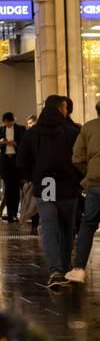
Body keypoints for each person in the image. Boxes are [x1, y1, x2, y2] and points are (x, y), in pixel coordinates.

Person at [19, 95, 83, 289]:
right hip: (68, 185)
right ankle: (64, 268)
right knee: (66, 228)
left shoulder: (33, 132)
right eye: (65, 108)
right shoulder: (72, 131)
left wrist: (34, 177)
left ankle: (54, 270)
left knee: (49, 227)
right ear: (60, 108)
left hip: (46, 184)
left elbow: (22, 160)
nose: (67, 112)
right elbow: (80, 158)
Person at [68, 102, 100, 282]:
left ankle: (79, 269)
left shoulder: (88, 128)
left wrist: (90, 173)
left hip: (95, 184)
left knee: (88, 225)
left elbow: (77, 157)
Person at [0, 112, 21, 220]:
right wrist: (1, 142)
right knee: (8, 188)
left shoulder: (20, 129)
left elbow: (23, 143)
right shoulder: (0, 130)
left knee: (16, 188)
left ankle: (15, 212)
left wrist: (15, 143)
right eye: (6, 122)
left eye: (9, 122)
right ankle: (10, 213)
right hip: (6, 161)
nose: (8, 124)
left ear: (12, 121)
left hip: (16, 160)